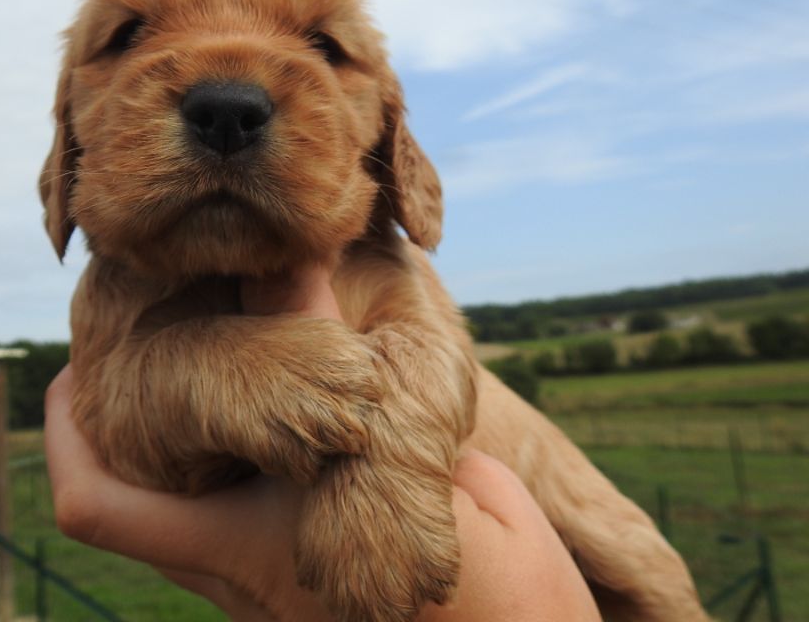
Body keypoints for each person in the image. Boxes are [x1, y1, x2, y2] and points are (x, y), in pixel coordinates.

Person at [44, 265, 601, 622]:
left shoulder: (384, 257)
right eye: (112, 67)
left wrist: (379, 464)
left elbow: (436, 354)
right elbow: (115, 416)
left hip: (558, 524)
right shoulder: (122, 280)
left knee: (645, 578)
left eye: (332, 68)